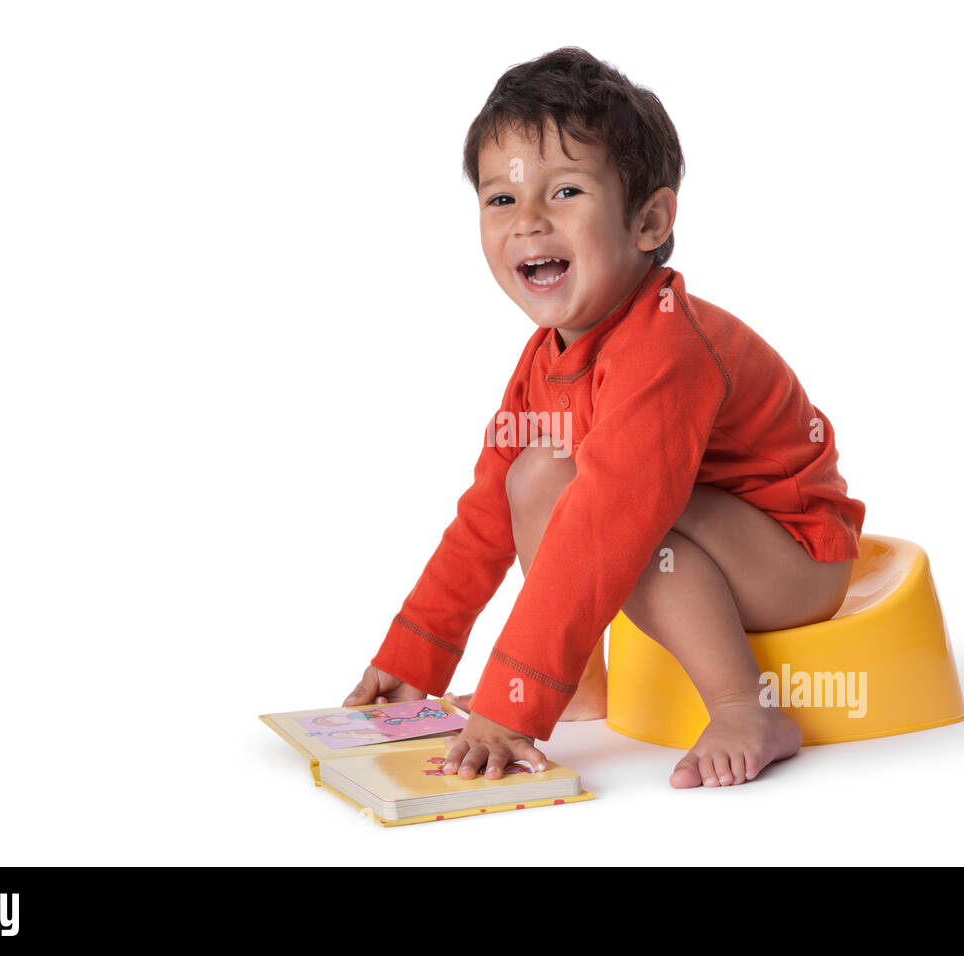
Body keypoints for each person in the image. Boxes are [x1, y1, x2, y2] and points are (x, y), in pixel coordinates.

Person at [345, 47, 865, 789]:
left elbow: (610, 522)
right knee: (533, 477)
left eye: (563, 193)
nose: (527, 223)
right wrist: (412, 659)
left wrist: (512, 699)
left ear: (649, 220)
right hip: (704, 532)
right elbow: (487, 515)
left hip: (793, 557)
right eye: (501, 200)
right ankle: (584, 684)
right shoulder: (543, 359)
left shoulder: (664, 347)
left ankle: (746, 707)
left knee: (620, 513)